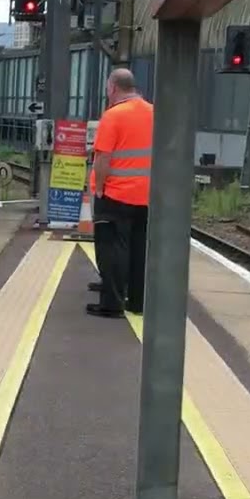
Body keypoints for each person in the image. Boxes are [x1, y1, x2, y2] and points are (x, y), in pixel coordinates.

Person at [87, 69, 152, 318]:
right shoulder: (153, 112)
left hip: (116, 194)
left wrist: (100, 188)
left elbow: (103, 157)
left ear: (113, 88)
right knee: (138, 249)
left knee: (112, 249)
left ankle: (112, 303)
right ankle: (137, 302)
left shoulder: (113, 116)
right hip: (146, 196)